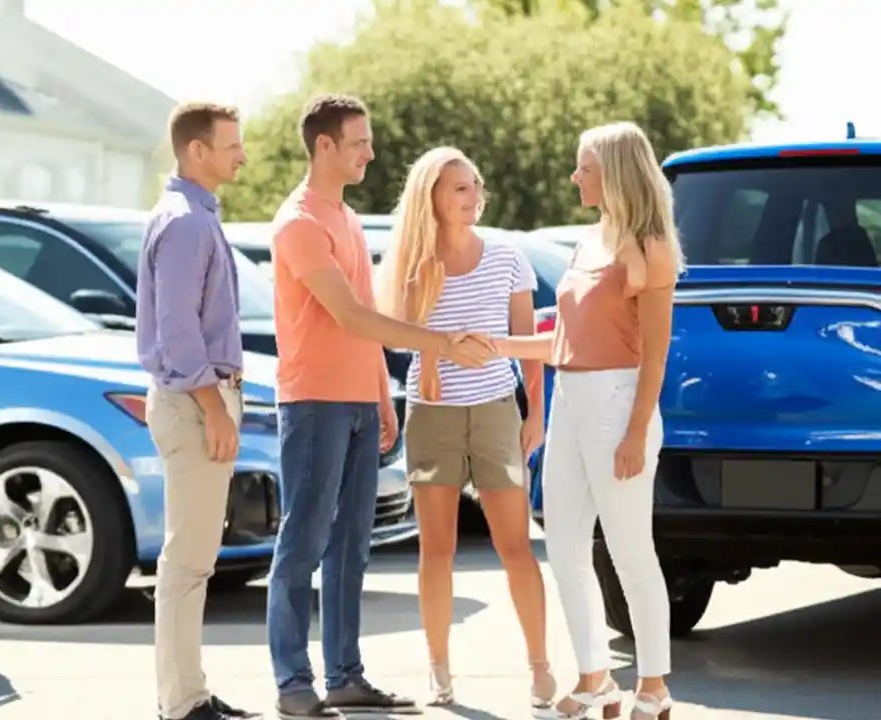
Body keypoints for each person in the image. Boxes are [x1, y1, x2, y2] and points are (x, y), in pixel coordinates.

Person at [264, 93, 492, 719]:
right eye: (359, 141)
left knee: (351, 546)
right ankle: (292, 683)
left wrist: (378, 396)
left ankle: (344, 676)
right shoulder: (299, 224)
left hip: (359, 405)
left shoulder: (348, 218)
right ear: (325, 146)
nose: (370, 151)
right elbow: (353, 315)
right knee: (303, 544)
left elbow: (364, 320)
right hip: (312, 404)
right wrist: (441, 343)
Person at [487, 121, 684, 720]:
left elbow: (656, 352)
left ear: (616, 172)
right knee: (566, 547)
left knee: (630, 551)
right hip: (571, 402)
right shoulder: (589, 240)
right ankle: (596, 678)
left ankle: (653, 686)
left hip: (620, 403)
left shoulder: (652, 246)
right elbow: (562, 344)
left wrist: (634, 430)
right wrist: (494, 345)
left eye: (584, 167)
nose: (575, 176)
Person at [374, 146, 555, 715]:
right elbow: (401, 336)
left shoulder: (507, 257)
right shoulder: (412, 261)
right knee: (438, 549)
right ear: (432, 195)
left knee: (516, 546)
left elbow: (527, 344)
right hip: (433, 416)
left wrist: (535, 413)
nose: (473, 197)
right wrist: (425, 361)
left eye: (475, 185)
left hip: (498, 411)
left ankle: (541, 666)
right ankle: (439, 666)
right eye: (459, 188)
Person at [136, 101, 260, 720]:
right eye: (232, 144)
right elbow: (179, 331)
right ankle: (182, 704)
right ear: (197, 151)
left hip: (197, 400)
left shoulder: (193, 216)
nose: (242, 154)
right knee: (187, 564)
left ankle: (189, 693)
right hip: (194, 403)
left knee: (194, 561)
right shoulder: (186, 222)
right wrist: (215, 409)